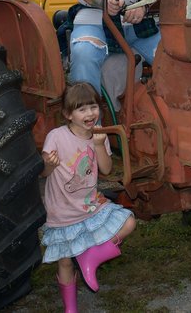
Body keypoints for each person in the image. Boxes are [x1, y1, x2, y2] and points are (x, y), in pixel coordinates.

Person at [41, 81, 136, 310]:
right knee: (65, 261)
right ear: (68, 114)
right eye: (81, 109)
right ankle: (70, 308)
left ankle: (91, 257)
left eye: (93, 107)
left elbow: (106, 170)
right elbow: (43, 173)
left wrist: (100, 146)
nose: (90, 113)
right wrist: (49, 165)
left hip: (89, 206)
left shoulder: (98, 135)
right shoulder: (56, 136)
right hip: (63, 210)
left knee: (129, 222)